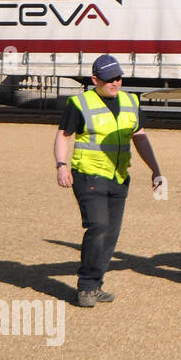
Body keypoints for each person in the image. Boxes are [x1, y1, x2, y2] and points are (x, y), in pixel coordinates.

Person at [54, 54, 164, 308]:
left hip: (119, 178)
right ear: (95, 79)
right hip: (88, 175)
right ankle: (85, 288)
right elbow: (63, 136)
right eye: (109, 79)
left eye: (118, 77)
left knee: (111, 234)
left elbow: (140, 137)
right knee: (99, 226)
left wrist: (156, 169)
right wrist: (61, 166)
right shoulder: (80, 103)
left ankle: (95, 284)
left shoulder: (131, 101)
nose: (116, 83)